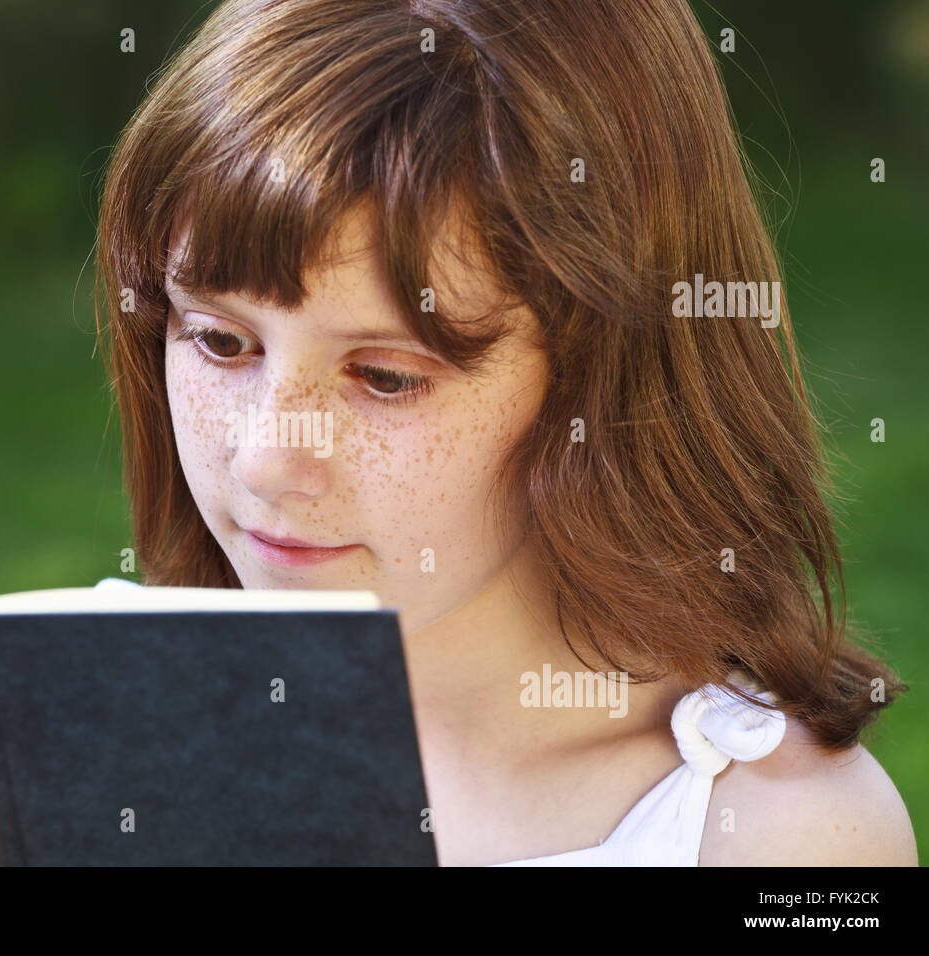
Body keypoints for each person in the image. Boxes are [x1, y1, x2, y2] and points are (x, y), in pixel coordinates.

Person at [93, 0, 917, 865]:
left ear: (604, 378)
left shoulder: (786, 836)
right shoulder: (119, 739)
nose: (266, 460)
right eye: (221, 341)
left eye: (386, 377)